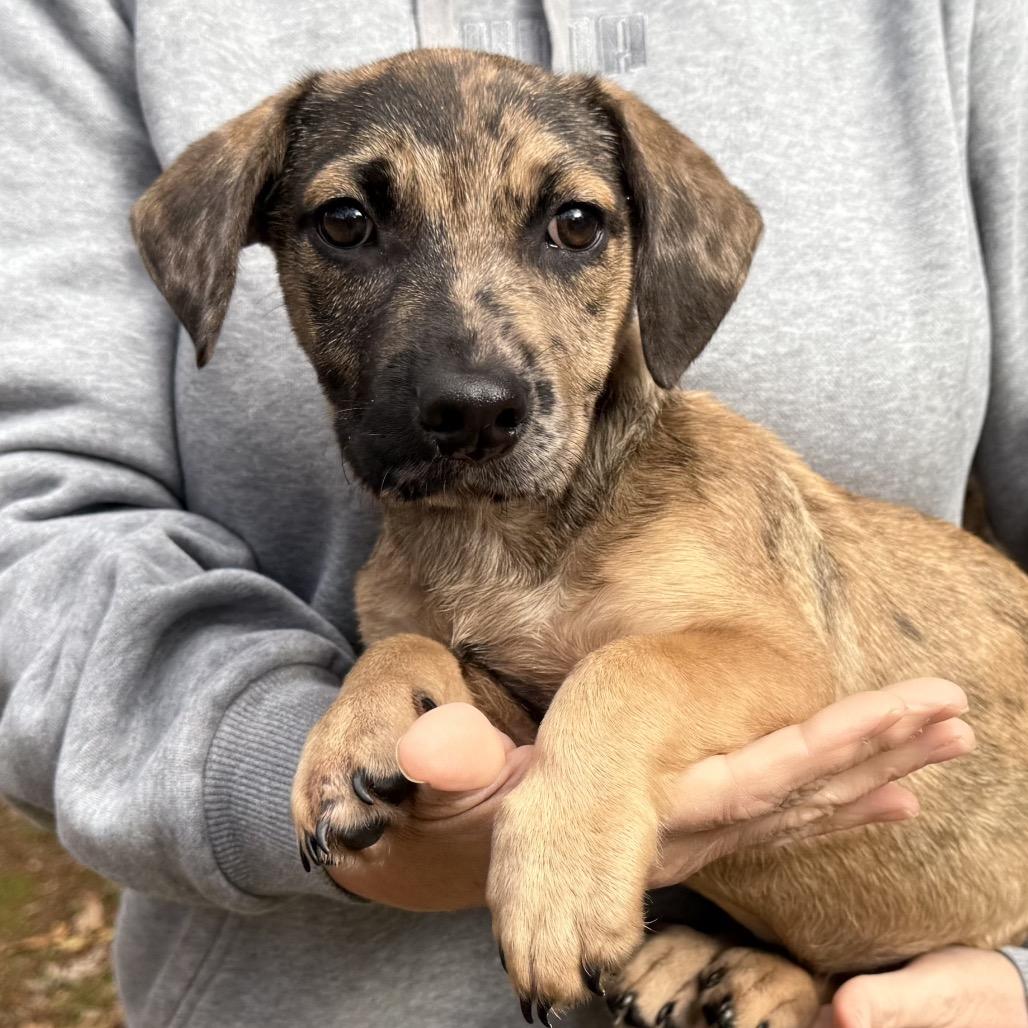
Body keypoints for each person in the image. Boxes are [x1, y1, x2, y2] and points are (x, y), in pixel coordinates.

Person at [0, 1, 1024, 1025]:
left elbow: (767, 667)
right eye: (350, 227)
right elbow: (39, 521)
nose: (472, 372)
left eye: (570, 227)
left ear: (655, 256)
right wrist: (376, 698)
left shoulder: (687, 503)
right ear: (237, 241)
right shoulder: (404, 581)